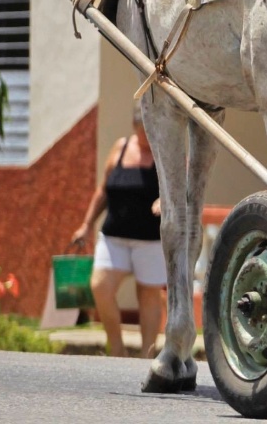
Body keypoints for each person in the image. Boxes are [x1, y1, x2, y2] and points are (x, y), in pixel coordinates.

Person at [70, 112, 165, 358]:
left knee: (149, 294)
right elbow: (103, 189)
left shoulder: (166, 150)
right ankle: (117, 349)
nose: (146, 136)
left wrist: (166, 200)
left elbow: (181, 186)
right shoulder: (121, 148)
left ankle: (147, 355)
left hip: (150, 239)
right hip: (114, 236)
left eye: (150, 130)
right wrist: (86, 224)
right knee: (100, 287)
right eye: (142, 130)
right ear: (135, 126)